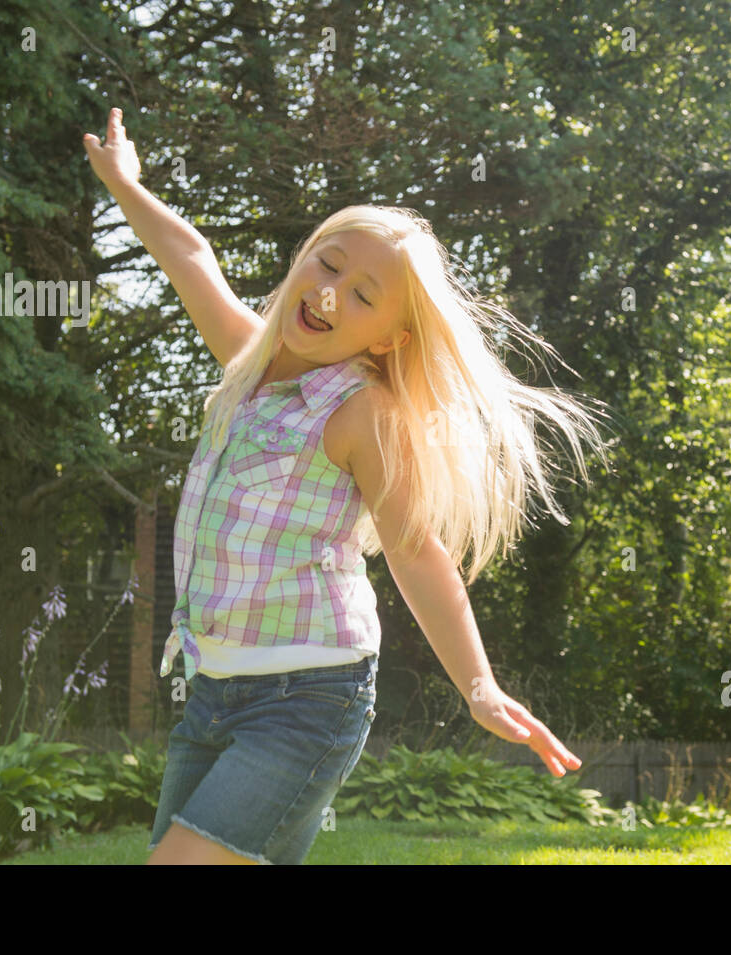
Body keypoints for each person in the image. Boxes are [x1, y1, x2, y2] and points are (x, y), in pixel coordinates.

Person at [83, 108, 609, 864]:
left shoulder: (365, 413)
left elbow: (416, 549)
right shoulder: (248, 363)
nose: (330, 295)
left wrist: (480, 686)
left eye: (364, 296)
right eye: (328, 264)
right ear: (303, 257)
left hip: (308, 696)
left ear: (390, 336)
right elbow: (192, 255)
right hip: (212, 692)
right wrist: (125, 184)